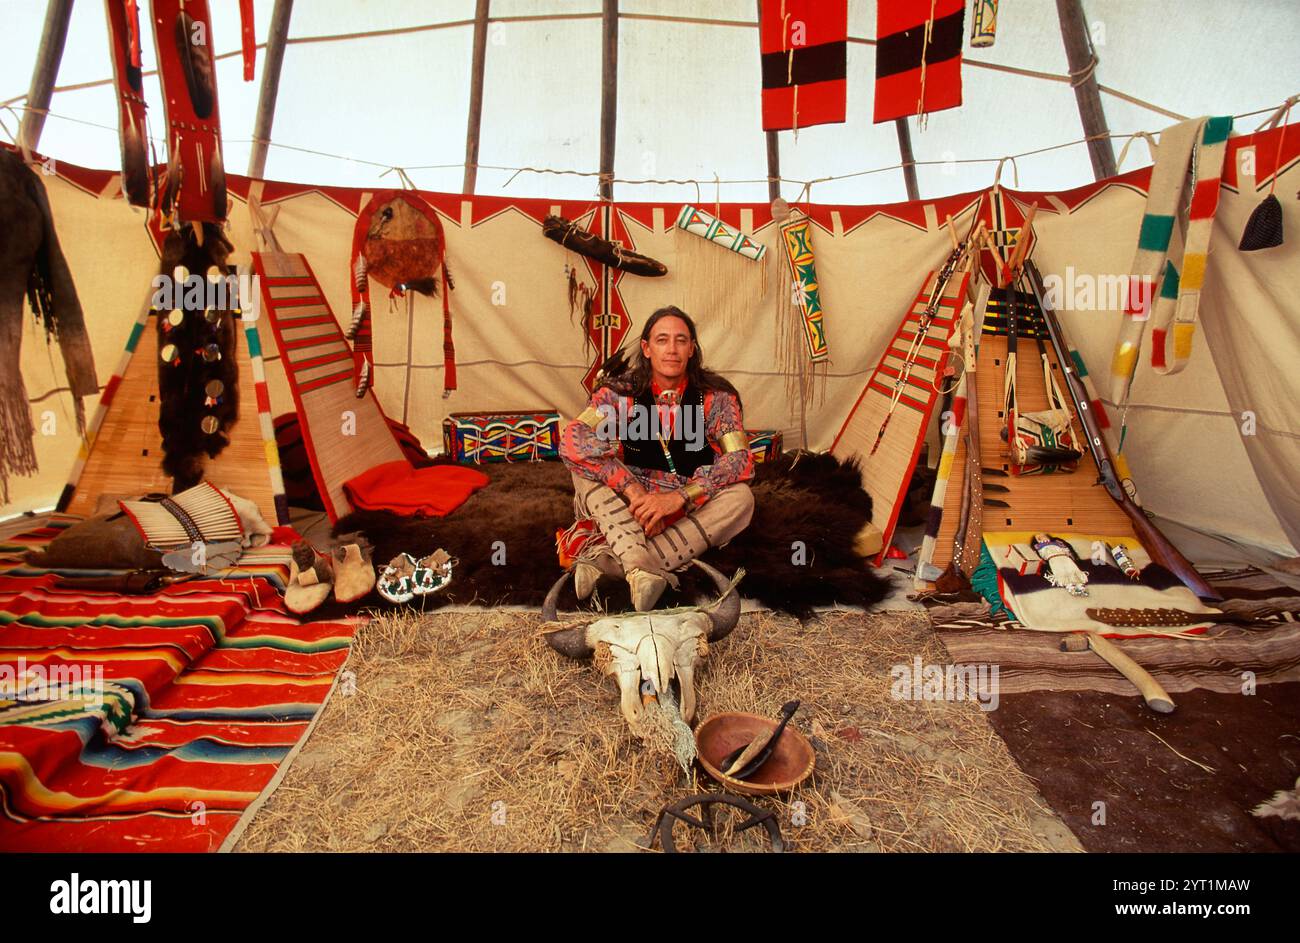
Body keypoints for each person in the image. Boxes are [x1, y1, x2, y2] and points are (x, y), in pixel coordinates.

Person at [559, 306, 755, 611]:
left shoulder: (716, 398)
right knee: (581, 467)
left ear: (692, 349)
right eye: (662, 340)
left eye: (681, 340)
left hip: (687, 501)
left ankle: (613, 562)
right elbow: (575, 438)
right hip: (627, 502)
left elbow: (740, 460)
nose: (672, 349)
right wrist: (635, 492)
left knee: (741, 499)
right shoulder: (617, 393)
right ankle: (640, 564)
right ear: (647, 348)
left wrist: (677, 498)